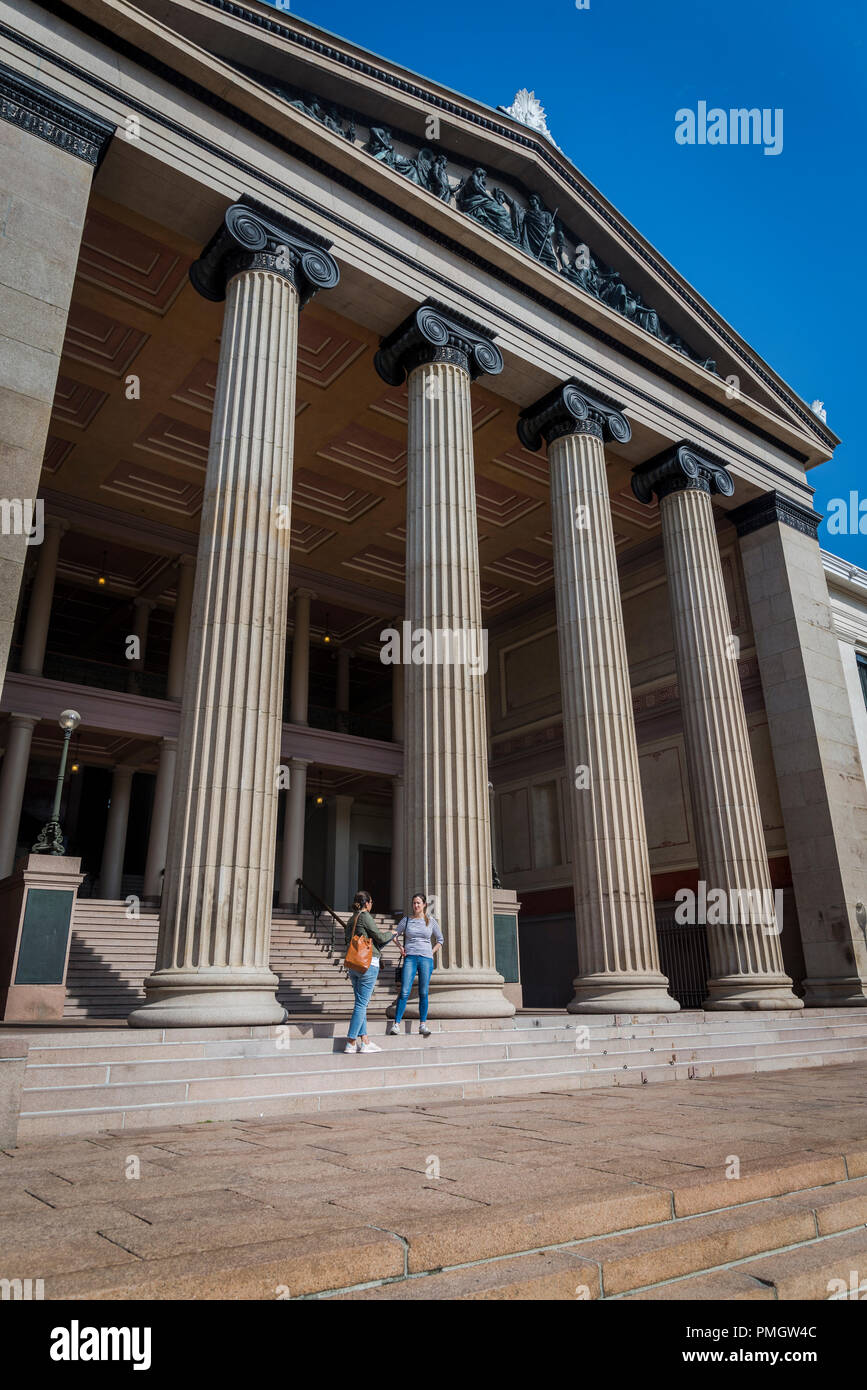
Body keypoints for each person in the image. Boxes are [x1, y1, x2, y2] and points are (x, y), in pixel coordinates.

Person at [344, 889, 395, 1053]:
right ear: (366, 903)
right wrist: (391, 933)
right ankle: (351, 1041)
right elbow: (379, 937)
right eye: (371, 902)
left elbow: (347, 939)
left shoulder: (352, 918)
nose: (371, 905)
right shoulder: (365, 916)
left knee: (360, 1003)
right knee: (361, 1004)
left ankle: (365, 1041)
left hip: (354, 965)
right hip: (368, 964)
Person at [388, 893, 444, 1037]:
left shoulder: (430, 921)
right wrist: (400, 947)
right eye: (414, 903)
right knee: (405, 991)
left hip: (426, 959)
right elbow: (395, 934)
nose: (416, 905)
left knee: (423, 992)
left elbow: (440, 939)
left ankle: (422, 1025)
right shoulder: (406, 920)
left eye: (418, 903)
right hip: (410, 958)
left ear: (424, 904)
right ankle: (396, 1024)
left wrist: (431, 952)